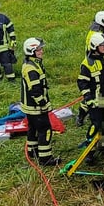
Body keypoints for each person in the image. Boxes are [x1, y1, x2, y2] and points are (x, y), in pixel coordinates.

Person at [77, 33, 104, 156]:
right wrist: (88, 98)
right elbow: (82, 82)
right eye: (102, 45)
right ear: (95, 47)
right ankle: (89, 152)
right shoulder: (87, 64)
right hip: (96, 101)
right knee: (96, 125)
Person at [20, 37, 59, 165]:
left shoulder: (31, 63)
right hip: (36, 107)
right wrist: (43, 104)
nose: (41, 51)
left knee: (32, 128)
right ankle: (45, 158)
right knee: (45, 129)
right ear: (31, 51)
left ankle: (32, 150)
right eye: (38, 50)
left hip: (29, 107)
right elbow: (35, 90)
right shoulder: (31, 69)